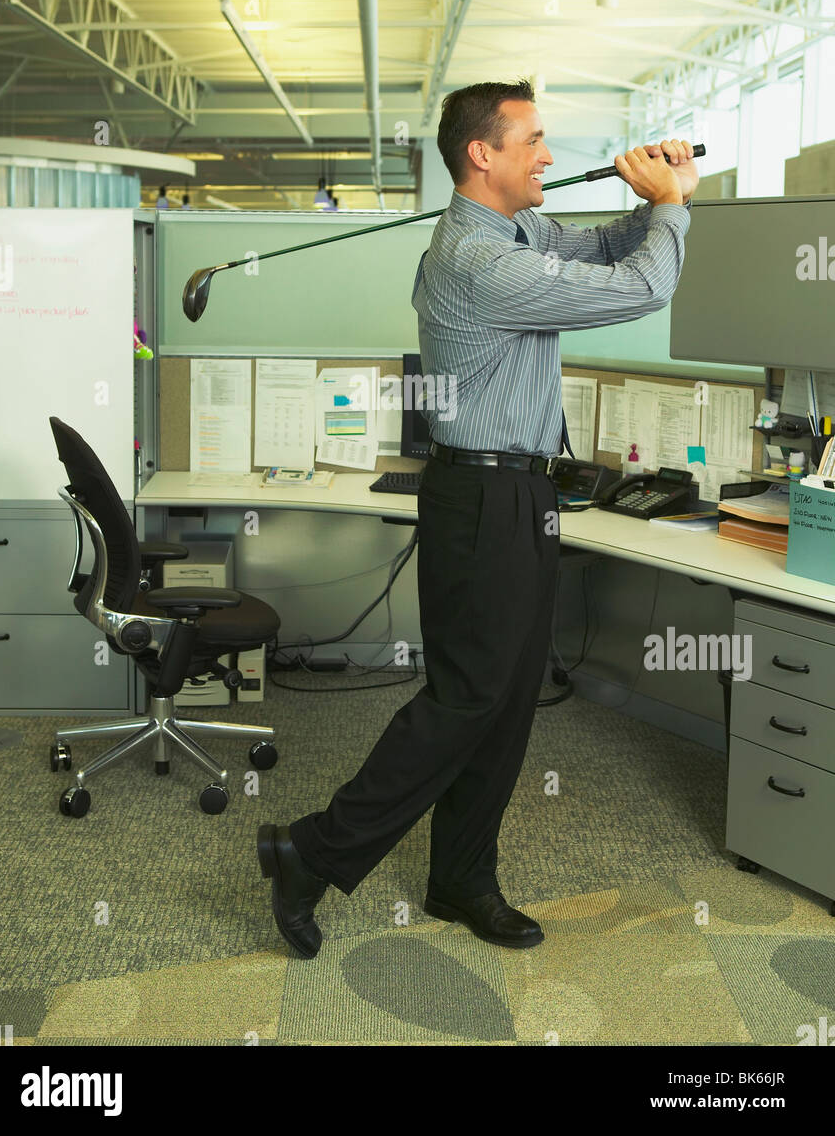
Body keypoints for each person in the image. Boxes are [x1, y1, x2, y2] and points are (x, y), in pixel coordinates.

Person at [257, 79, 699, 960]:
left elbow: (607, 244)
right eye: (533, 140)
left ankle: (461, 876)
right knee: (466, 699)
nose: (548, 156)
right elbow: (639, 287)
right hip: (482, 498)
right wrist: (671, 211)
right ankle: (312, 851)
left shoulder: (518, 233)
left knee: (508, 702)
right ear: (481, 154)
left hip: (524, 493)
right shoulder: (475, 261)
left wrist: (658, 191)